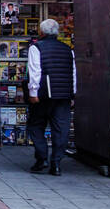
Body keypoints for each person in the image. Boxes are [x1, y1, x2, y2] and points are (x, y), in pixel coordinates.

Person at [27, 18, 77, 176]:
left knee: (35, 125)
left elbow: (35, 71)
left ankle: (42, 158)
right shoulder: (68, 49)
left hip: (43, 94)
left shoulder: (36, 48)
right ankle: (56, 164)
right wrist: (73, 93)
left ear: (41, 32)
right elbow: (73, 73)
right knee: (61, 129)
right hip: (63, 95)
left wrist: (33, 92)